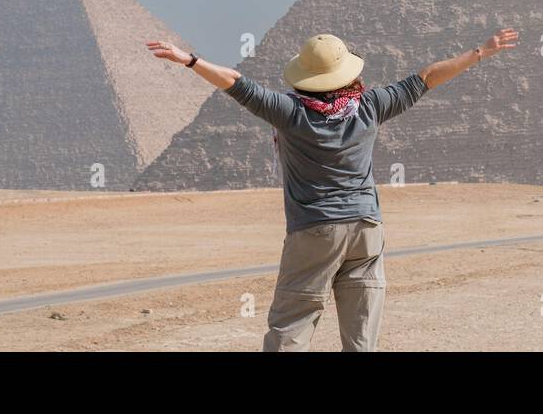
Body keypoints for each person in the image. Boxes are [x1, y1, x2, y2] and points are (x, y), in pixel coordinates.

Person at [146, 27, 519, 351]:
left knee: (292, 323)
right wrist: (481, 51)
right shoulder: (369, 106)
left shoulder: (290, 112)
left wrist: (190, 60)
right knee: (361, 337)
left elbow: (236, 82)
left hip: (315, 229)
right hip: (366, 230)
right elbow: (426, 78)